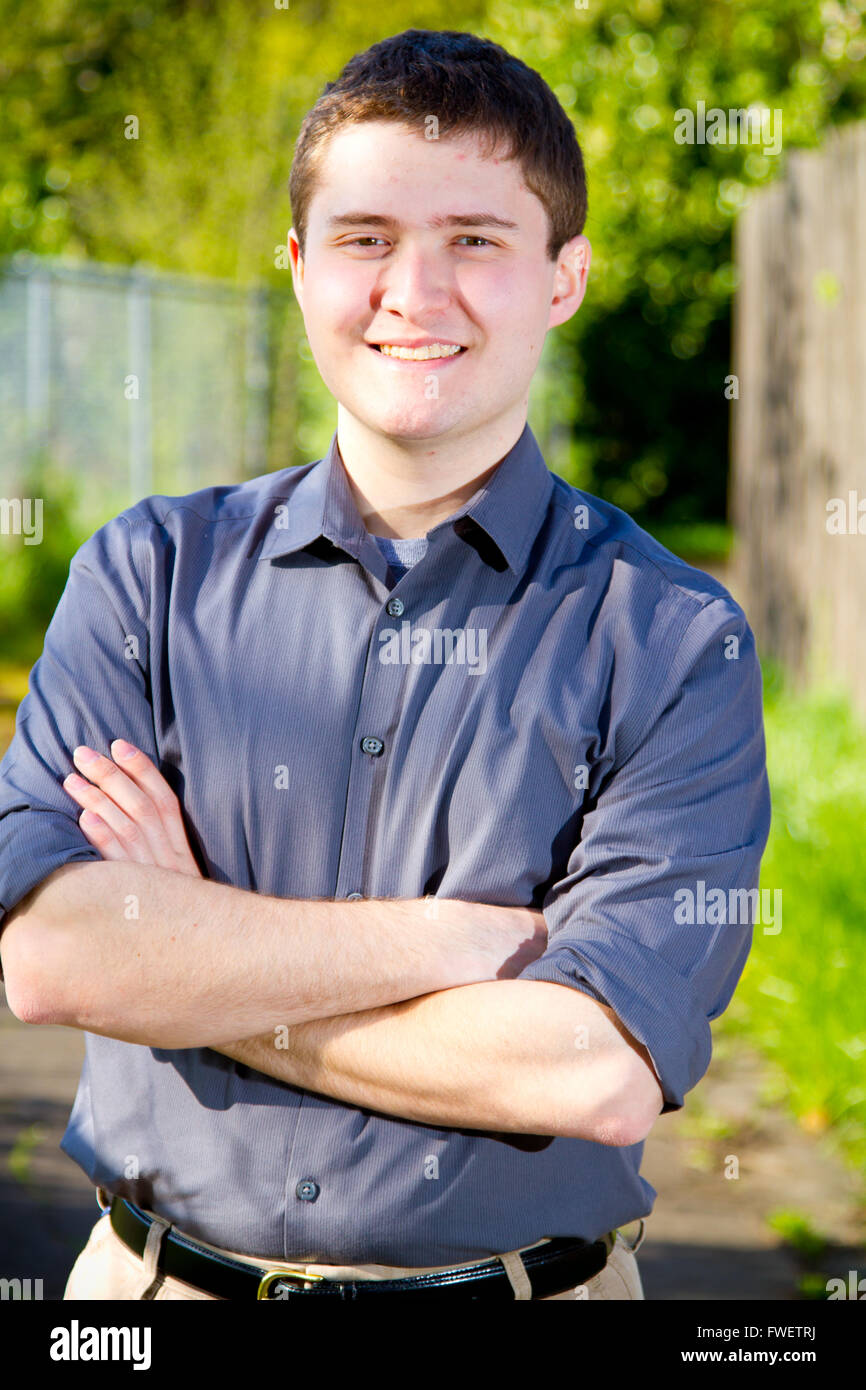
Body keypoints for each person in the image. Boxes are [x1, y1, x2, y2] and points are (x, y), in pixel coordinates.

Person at [0, 28, 771, 1302]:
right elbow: (57, 962)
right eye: (365, 238)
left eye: (474, 238)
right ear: (301, 268)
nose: (412, 292)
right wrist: (452, 943)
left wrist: (194, 958)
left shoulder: (674, 639)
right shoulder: (144, 575)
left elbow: (585, 1068)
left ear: (562, 278)